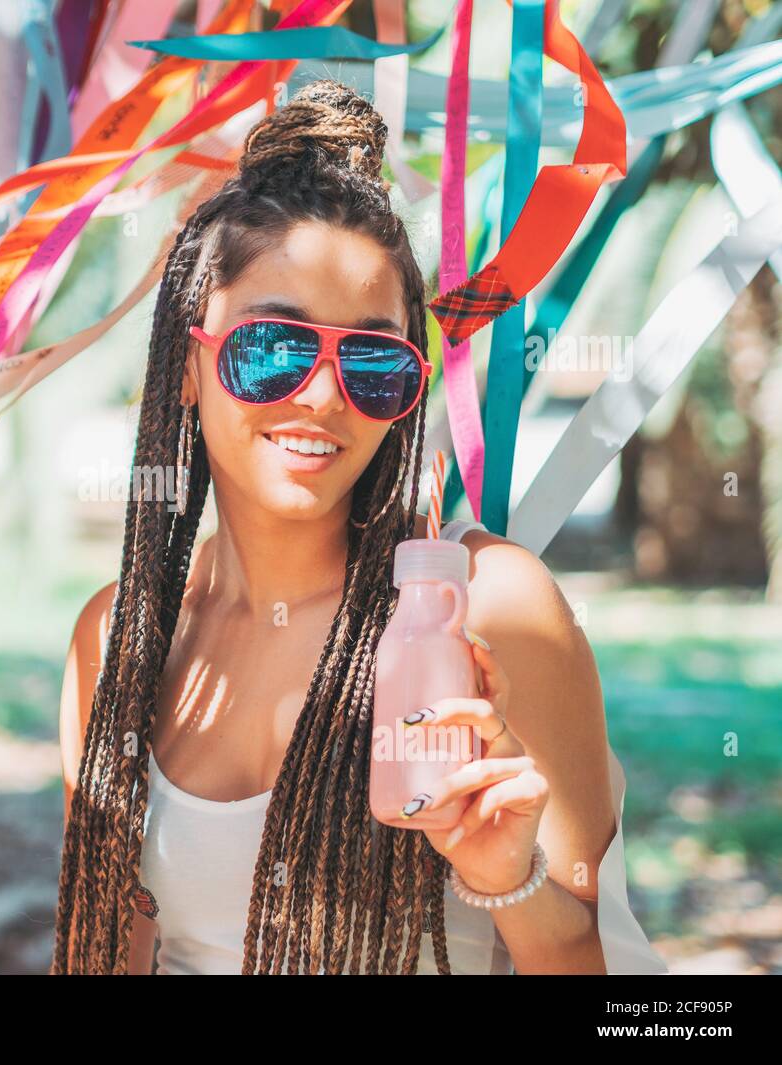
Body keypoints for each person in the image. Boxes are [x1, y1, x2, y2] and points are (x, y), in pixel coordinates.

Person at [51, 79, 667, 975]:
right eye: (272, 347)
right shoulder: (117, 641)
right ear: (189, 364)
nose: (324, 396)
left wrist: (510, 879)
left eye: (374, 361)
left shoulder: (483, 607)